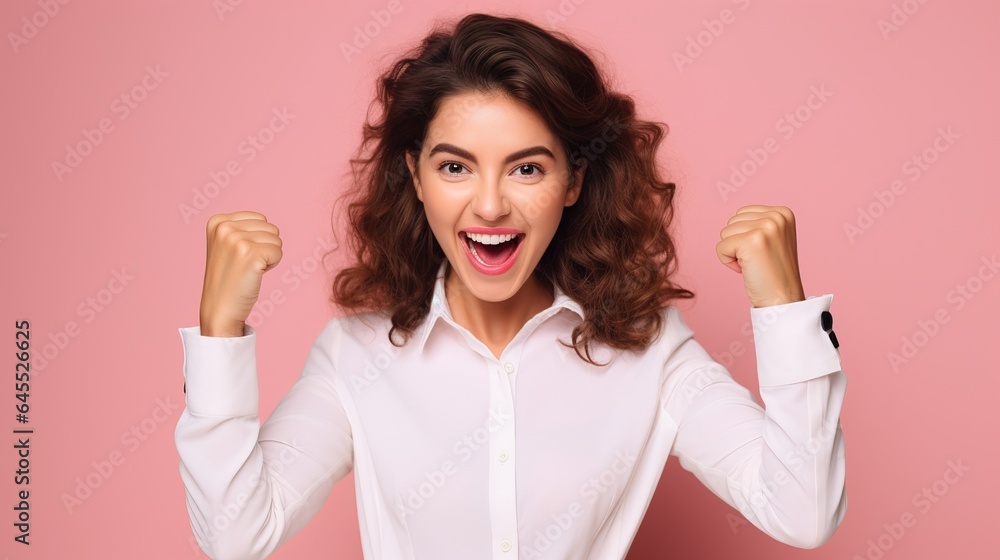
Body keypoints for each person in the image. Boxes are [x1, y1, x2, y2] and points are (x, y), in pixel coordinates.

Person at [174, 12, 847, 560]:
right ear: (415, 175)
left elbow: (802, 511)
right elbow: (237, 533)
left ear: (574, 180)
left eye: (526, 169)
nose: (490, 207)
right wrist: (219, 332)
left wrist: (785, 310)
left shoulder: (652, 352)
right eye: (455, 167)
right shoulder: (355, 354)